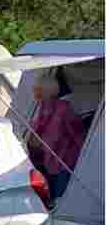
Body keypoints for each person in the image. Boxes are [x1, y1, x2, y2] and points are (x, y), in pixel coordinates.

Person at [26, 68, 86, 203]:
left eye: (38, 89)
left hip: (63, 159)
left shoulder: (63, 108)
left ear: (47, 90)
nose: (35, 92)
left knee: (61, 197)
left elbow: (72, 134)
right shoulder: (42, 106)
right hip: (46, 159)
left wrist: (85, 157)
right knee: (48, 195)